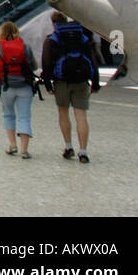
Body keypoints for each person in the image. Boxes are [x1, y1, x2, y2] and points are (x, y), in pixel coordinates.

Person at [41, 11, 101, 163]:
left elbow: (46, 64)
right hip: (81, 81)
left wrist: (48, 85)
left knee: (63, 113)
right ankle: (83, 151)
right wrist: (95, 82)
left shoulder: (51, 40)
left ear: (53, 23)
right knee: (81, 115)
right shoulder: (83, 38)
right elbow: (93, 61)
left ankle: (68, 147)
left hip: (61, 82)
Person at [0, 21, 38, 158]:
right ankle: (24, 150)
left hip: (7, 86)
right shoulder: (25, 48)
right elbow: (33, 67)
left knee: (8, 115)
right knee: (24, 116)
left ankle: (12, 145)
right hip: (25, 86)